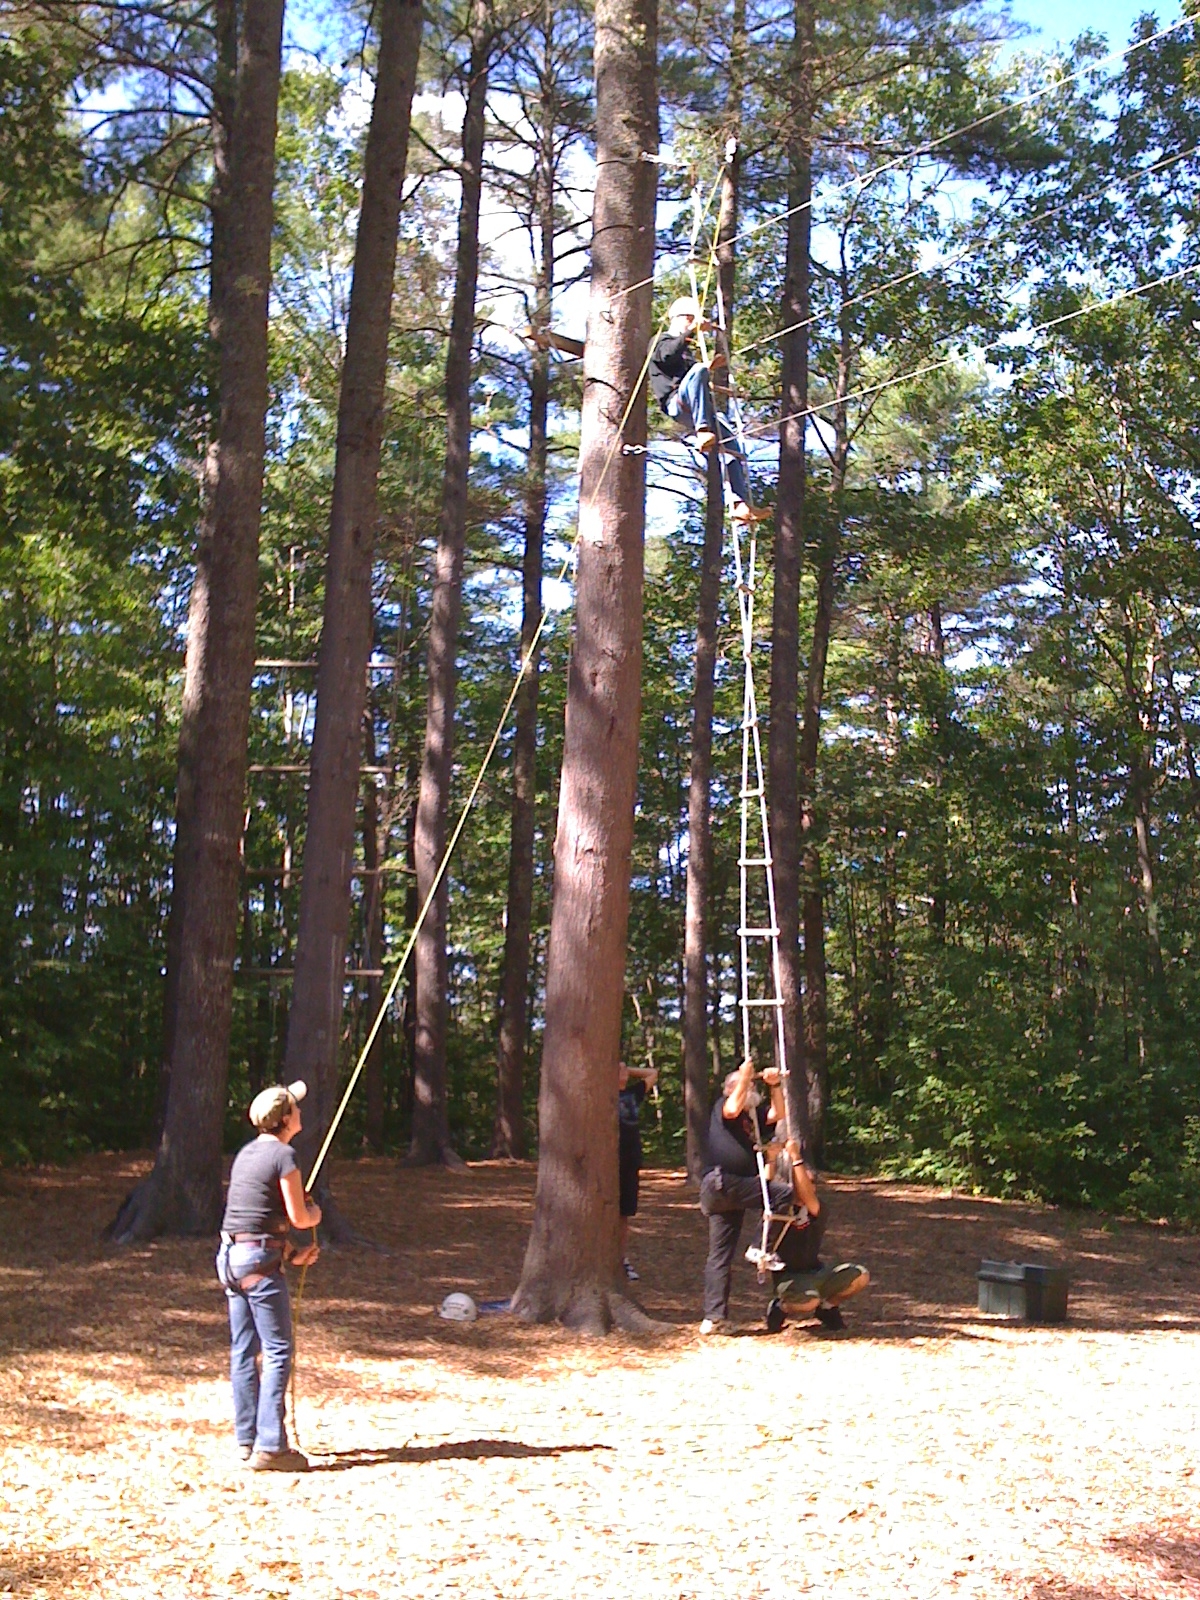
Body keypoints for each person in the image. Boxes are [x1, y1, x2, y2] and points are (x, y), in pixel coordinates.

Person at [216, 1080, 321, 1471]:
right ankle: (272, 1447)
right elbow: (299, 1217)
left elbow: (254, 1216)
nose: (300, 1111)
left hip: (232, 1259)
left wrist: (291, 1254)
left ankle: (247, 1441)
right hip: (256, 1262)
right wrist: (316, 1213)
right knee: (277, 1351)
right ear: (286, 1118)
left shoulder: (246, 1154)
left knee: (244, 1351)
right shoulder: (284, 1155)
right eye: (296, 1107)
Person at [698, 1055, 819, 1334]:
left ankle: (714, 1317)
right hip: (721, 1182)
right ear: (732, 1088)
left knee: (720, 1255)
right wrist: (745, 1075)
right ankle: (760, 1247)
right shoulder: (724, 1107)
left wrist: (774, 1085)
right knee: (783, 1194)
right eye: (747, 1088)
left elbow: (778, 1114)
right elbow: (731, 1108)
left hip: (732, 1189)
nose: (752, 1092)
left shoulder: (751, 1117)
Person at [648, 297, 765, 524]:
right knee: (699, 370)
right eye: (689, 319)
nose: (691, 324)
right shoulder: (660, 341)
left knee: (733, 447)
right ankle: (703, 431)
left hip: (693, 404)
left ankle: (739, 505)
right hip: (676, 402)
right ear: (679, 318)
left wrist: (711, 368)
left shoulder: (685, 353)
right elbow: (668, 356)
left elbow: (694, 379)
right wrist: (692, 332)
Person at [617, 1060, 658, 1281]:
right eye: (618, 1069)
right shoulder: (601, 1093)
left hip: (631, 1160)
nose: (622, 1072)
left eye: (624, 1069)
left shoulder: (633, 1093)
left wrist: (628, 1070)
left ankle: (621, 1259)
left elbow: (653, 1073)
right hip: (610, 1161)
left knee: (624, 1213)